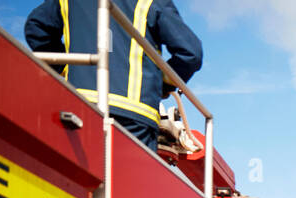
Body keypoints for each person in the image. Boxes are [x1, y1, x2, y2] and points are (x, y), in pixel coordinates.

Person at [25, 0, 203, 152]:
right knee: (129, 188)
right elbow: (190, 54)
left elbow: (37, 27)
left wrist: (64, 66)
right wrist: (163, 85)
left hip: (79, 107)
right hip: (134, 117)